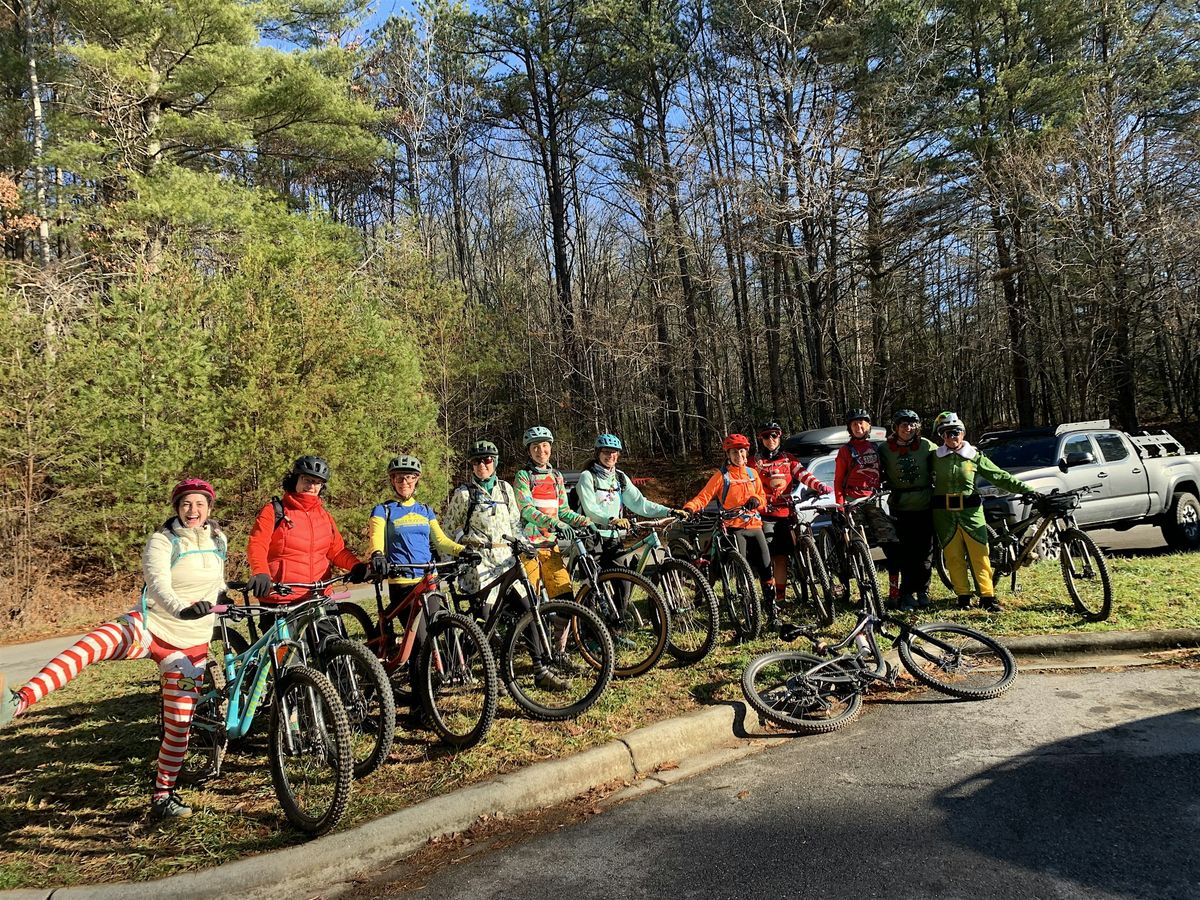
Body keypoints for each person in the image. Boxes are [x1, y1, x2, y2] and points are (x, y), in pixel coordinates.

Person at [0, 478, 228, 820]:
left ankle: (163, 796)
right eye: (186, 504)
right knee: (90, 646)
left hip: (189, 645)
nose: (192, 510)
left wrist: (223, 597)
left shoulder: (218, 539)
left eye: (199, 504)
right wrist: (181, 609)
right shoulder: (162, 540)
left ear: (209, 508)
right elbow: (158, 585)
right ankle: (18, 702)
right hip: (148, 626)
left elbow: (216, 582)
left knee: (180, 726)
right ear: (177, 508)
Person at [931, 411, 1036, 612]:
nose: (952, 437)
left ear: (963, 433)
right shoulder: (934, 458)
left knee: (980, 555)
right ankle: (963, 597)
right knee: (953, 556)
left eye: (955, 432)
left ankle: (987, 597)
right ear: (941, 436)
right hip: (944, 515)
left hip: (971, 513)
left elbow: (1000, 476)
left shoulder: (974, 456)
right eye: (946, 433)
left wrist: (1027, 489)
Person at [367, 455, 479, 624]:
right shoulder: (383, 510)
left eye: (409, 477)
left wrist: (463, 550)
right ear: (392, 481)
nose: (404, 482)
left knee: (438, 627)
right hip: (402, 581)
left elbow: (440, 541)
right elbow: (376, 536)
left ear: (416, 479)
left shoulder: (425, 510)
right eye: (399, 478)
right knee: (421, 636)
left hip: (429, 578)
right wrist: (377, 553)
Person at [245, 455, 369, 605]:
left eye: (317, 482)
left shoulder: (324, 516)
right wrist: (261, 572)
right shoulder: (274, 511)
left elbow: (336, 551)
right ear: (295, 479)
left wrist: (356, 566)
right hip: (282, 597)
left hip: (319, 595)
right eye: (307, 480)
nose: (311, 486)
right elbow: (258, 544)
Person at [682, 433, 777, 628]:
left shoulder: (752, 473)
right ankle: (747, 610)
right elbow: (704, 496)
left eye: (742, 451)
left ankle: (772, 612)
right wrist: (690, 508)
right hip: (734, 528)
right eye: (734, 452)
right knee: (742, 571)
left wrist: (756, 500)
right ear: (728, 455)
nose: (739, 456)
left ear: (746, 452)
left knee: (766, 569)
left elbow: (762, 497)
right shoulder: (722, 476)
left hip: (755, 526)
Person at [751, 419, 832, 619]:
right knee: (767, 559)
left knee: (781, 558)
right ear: (760, 439)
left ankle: (780, 598)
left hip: (786, 514)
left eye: (774, 435)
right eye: (766, 436)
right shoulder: (755, 462)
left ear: (780, 437)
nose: (770, 439)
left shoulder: (788, 459)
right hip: (765, 516)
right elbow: (748, 484)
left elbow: (804, 475)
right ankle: (768, 597)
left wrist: (819, 486)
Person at [574, 433, 686, 568]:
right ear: (598, 453)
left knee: (622, 577)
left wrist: (669, 511)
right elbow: (590, 510)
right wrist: (613, 520)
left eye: (614, 452)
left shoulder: (620, 477)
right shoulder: (587, 476)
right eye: (606, 452)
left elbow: (640, 504)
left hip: (613, 536)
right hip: (591, 536)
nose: (610, 455)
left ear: (618, 455)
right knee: (594, 579)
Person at [441, 440, 524, 611]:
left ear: (495, 461)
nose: (482, 465)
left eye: (487, 460)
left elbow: (515, 524)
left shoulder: (505, 489)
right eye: (476, 461)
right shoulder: (464, 494)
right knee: (485, 617)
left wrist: (524, 544)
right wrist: (448, 563)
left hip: (506, 561)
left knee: (526, 610)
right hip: (479, 563)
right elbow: (448, 530)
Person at [513, 426, 593, 602]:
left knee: (565, 597)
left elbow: (563, 512)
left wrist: (586, 522)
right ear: (529, 451)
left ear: (550, 447)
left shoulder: (556, 476)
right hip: (528, 547)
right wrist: (555, 523)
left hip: (550, 546)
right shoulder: (523, 476)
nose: (540, 450)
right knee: (530, 601)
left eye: (544, 445)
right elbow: (527, 510)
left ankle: (560, 621)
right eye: (535, 447)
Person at [833, 408, 900, 595]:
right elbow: (838, 481)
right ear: (849, 428)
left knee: (891, 542)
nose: (858, 427)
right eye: (854, 424)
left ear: (869, 426)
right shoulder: (845, 451)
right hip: (852, 502)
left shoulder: (876, 448)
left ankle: (894, 590)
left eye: (862, 423)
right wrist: (841, 506)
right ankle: (864, 592)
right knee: (857, 546)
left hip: (872, 500)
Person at [878, 409, 937, 611]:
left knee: (925, 552)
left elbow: (946, 456)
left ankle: (923, 590)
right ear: (895, 427)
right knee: (906, 553)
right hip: (900, 507)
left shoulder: (926, 445)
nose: (908, 428)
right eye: (904, 424)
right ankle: (906, 593)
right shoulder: (885, 449)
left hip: (925, 504)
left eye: (912, 424)